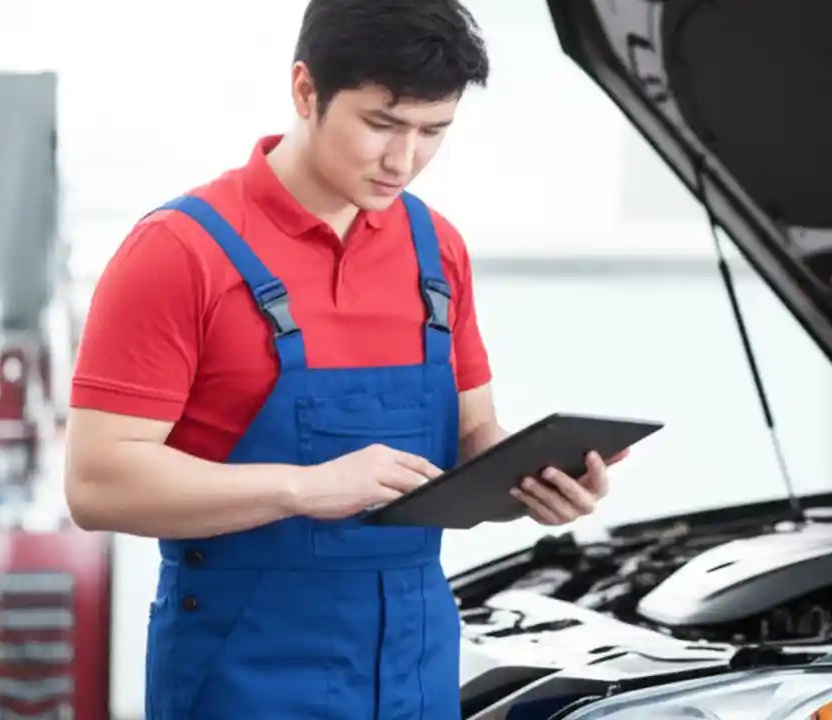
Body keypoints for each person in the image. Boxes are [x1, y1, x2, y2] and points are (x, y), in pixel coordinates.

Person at [62, 1, 623, 717]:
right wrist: (302, 488)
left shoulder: (436, 248)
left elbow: (475, 436)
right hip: (247, 669)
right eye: (381, 125)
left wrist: (532, 482)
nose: (404, 160)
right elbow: (97, 484)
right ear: (305, 90)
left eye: (433, 131)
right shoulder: (179, 252)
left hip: (415, 663)